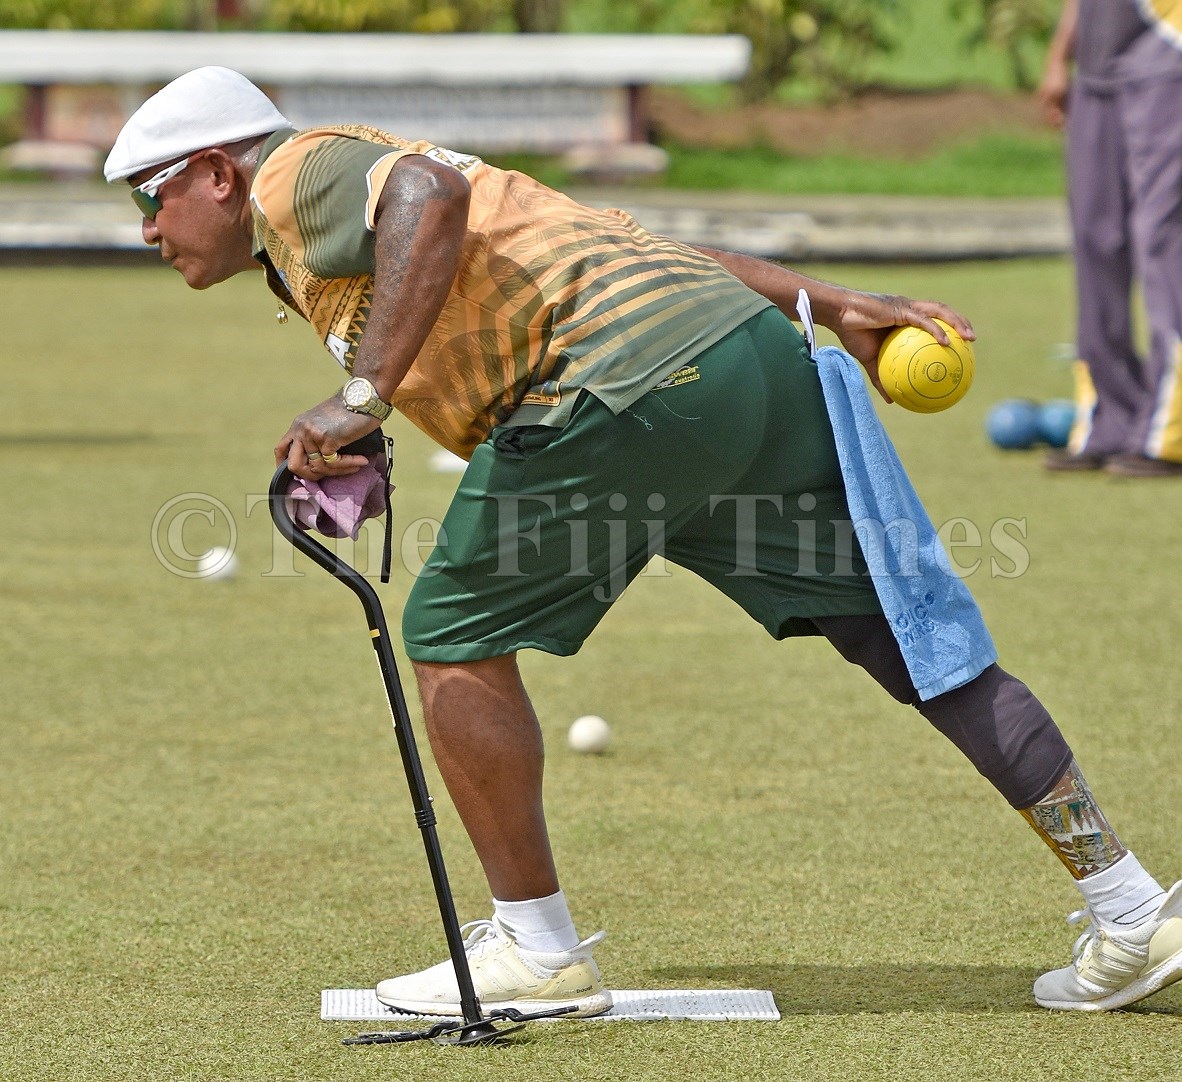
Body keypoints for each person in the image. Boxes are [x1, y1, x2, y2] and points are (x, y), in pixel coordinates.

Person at [105, 66, 1181, 1017]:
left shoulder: (300, 172)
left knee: (448, 631)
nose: (150, 232)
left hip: (625, 380)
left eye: (152, 201)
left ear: (215, 174)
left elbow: (429, 200)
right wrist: (827, 298)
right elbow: (639, 244)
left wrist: (361, 396)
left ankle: (536, 949)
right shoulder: (318, 242)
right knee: (903, 637)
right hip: (745, 358)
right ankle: (1132, 907)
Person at [1038, 0, 1182, 476]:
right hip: (1097, 73)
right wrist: (1061, 56)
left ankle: (1170, 430)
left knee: (1164, 243)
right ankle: (1111, 420)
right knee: (1095, 240)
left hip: (1168, 57)